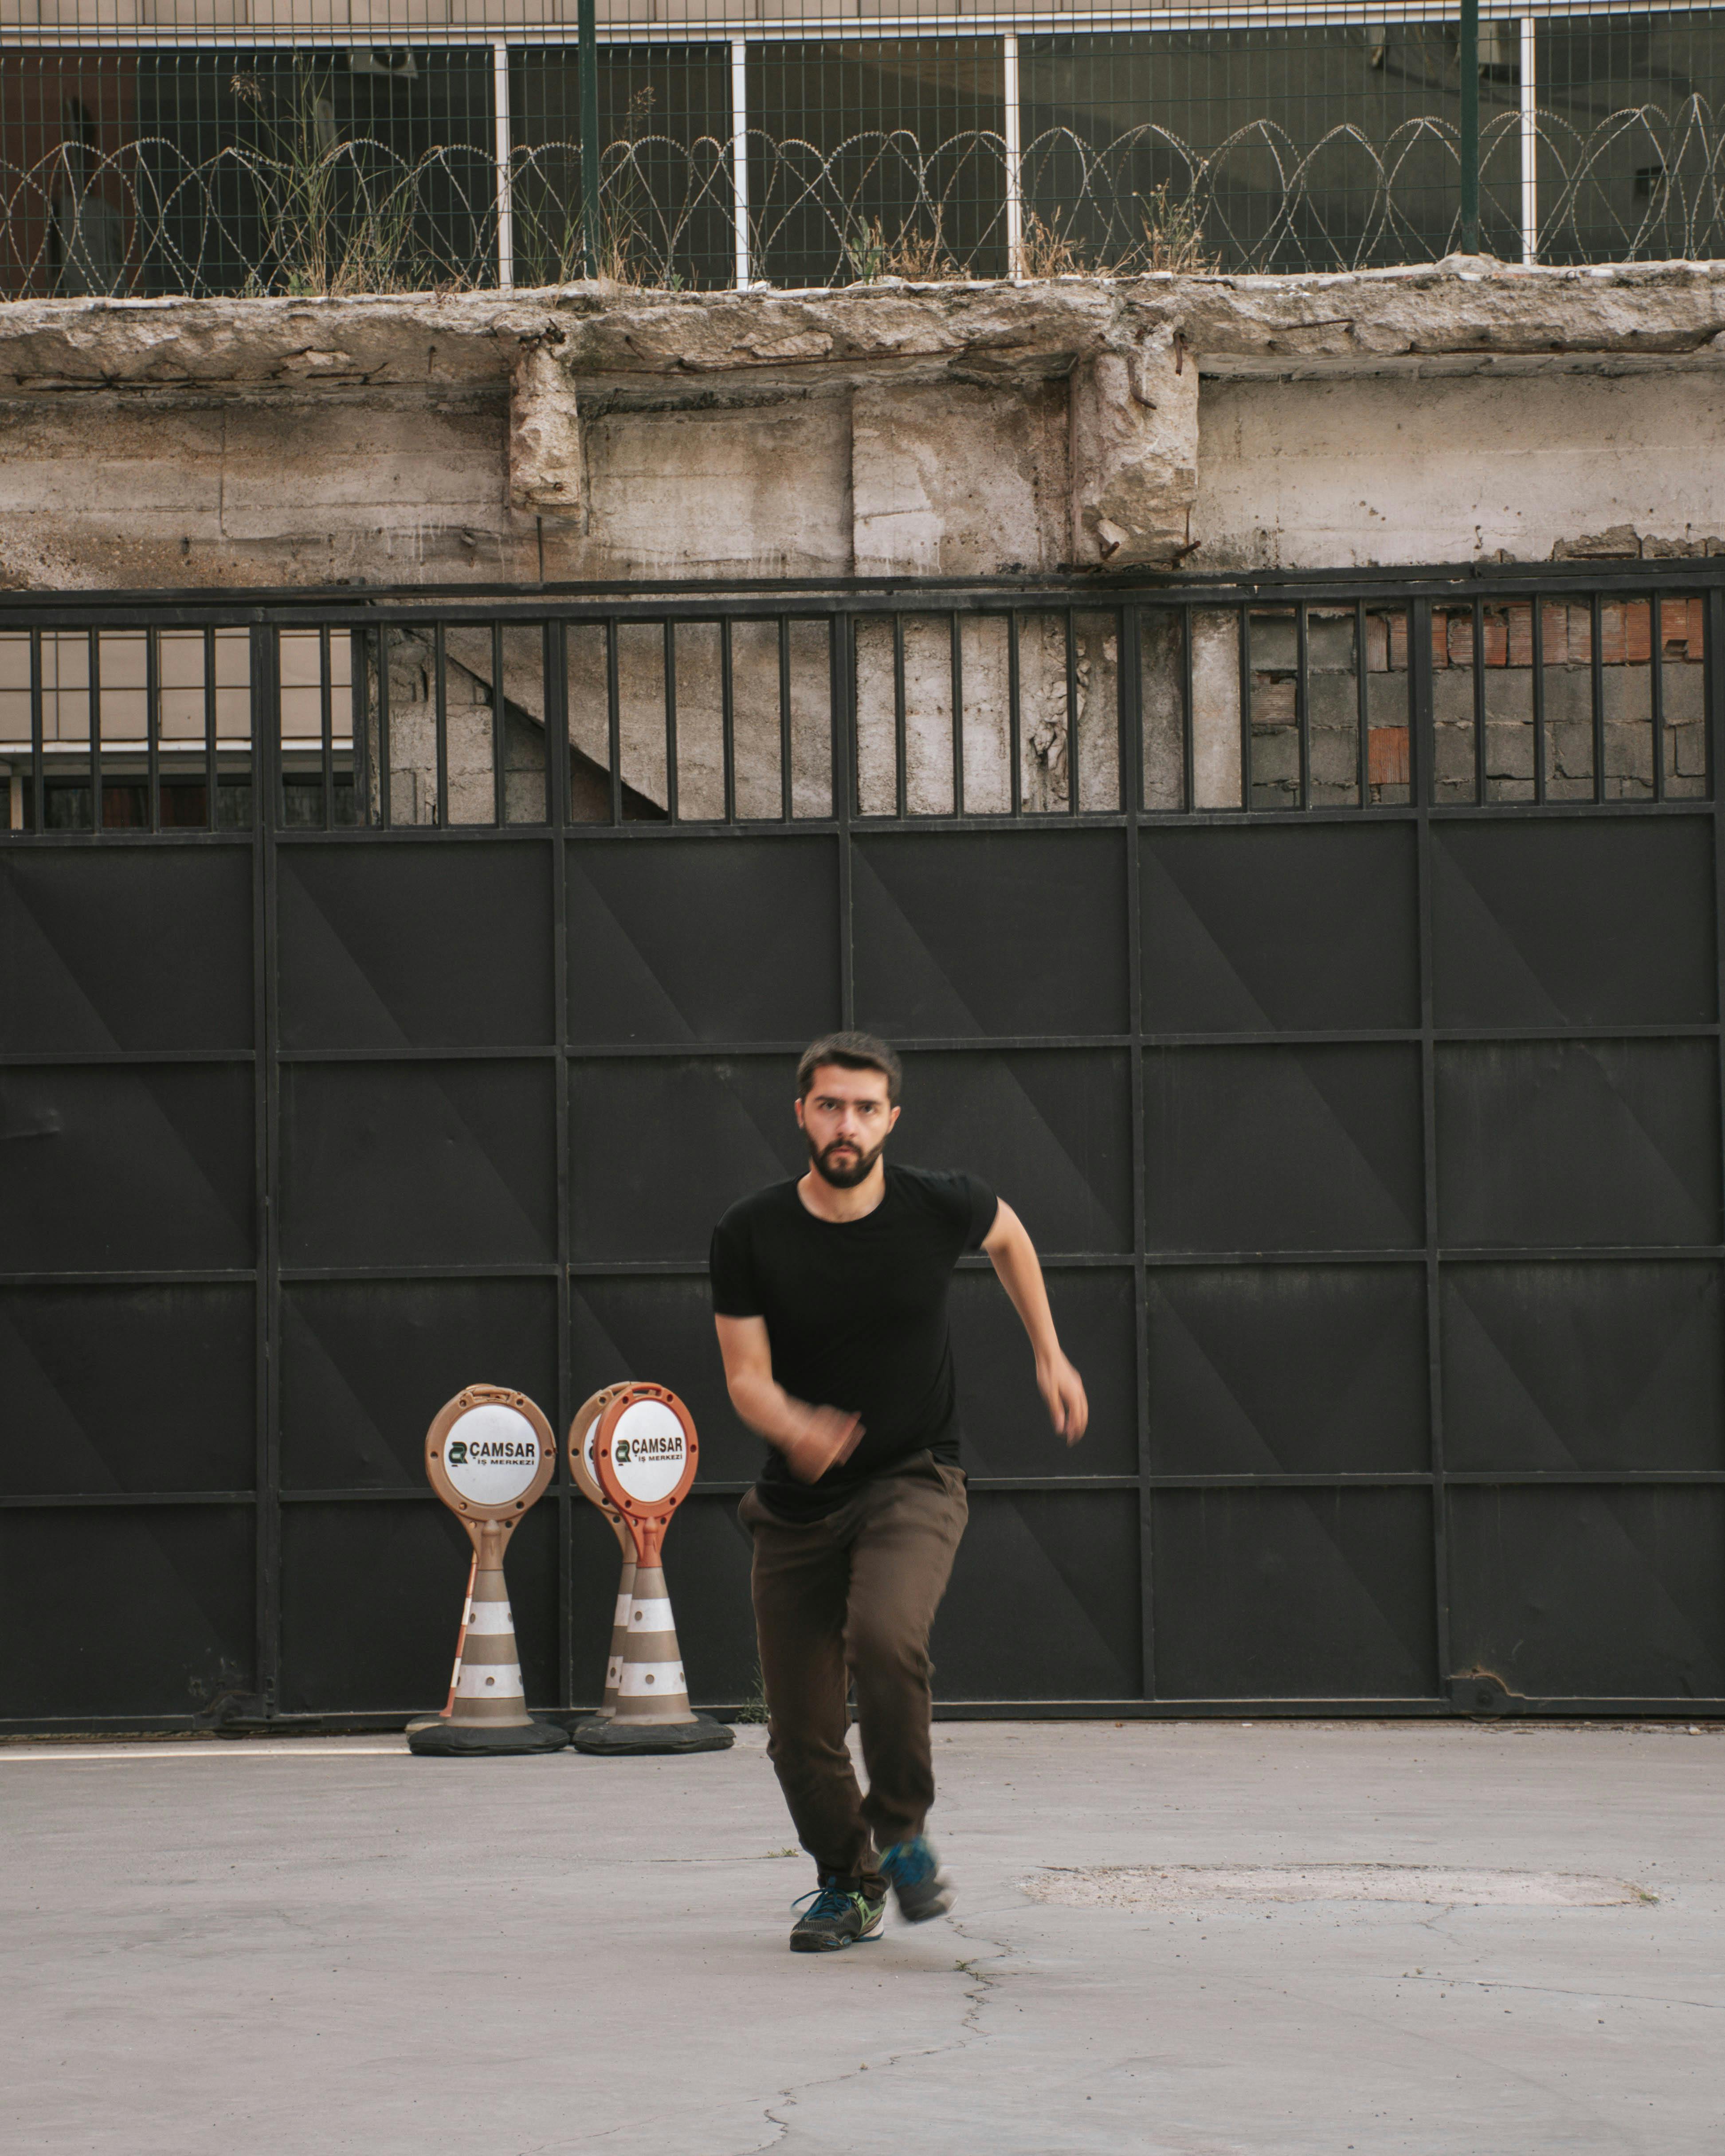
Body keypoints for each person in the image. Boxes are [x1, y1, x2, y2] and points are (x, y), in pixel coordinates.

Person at [710, 1031, 1088, 1953]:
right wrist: (796, 1427)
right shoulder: (750, 1231)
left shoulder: (937, 1203)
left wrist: (1048, 1349)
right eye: (830, 1105)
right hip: (796, 1505)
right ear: (800, 1111)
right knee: (797, 1733)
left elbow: (1009, 1233)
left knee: (885, 1633)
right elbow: (744, 1375)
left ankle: (904, 1832)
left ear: (892, 1119)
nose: (847, 1124)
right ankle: (848, 1880)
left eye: (866, 1108)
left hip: (913, 1477)